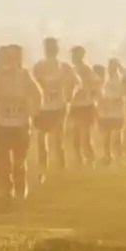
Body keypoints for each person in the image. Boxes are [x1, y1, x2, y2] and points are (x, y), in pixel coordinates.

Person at [0, 45, 42, 201]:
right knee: (2, 157)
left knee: (19, 159)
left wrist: (34, 111)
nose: (11, 61)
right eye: (8, 58)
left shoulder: (25, 76)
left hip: (21, 124)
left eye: (14, 58)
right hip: (2, 123)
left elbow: (37, 93)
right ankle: (8, 188)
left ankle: (21, 186)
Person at [32, 38, 77, 183]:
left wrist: (69, 96)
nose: (51, 49)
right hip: (43, 108)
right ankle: (43, 171)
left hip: (58, 107)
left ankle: (60, 170)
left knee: (57, 140)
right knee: (42, 140)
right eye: (48, 47)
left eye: (53, 47)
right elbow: (31, 86)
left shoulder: (64, 67)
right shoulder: (39, 67)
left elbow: (76, 82)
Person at [95, 60, 126, 167]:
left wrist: (120, 100)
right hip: (105, 113)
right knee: (106, 137)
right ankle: (107, 156)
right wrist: (101, 103)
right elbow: (98, 94)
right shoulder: (104, 81)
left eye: (114, 67)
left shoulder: (122, 80)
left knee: (116, 137)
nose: (111, 69)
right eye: (110, 66)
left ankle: (119, 157)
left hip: (117, 113)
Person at [66, 46, 99, 168]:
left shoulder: (86, 69)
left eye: (75, 54)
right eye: (73, 54)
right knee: (76, 137)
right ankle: (79, 161)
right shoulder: (72, 69)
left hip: (85, 107)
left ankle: (90, 161)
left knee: (85, 137)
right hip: (75, 107)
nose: (73, 57)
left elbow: (95, 85)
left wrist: (89, 94)